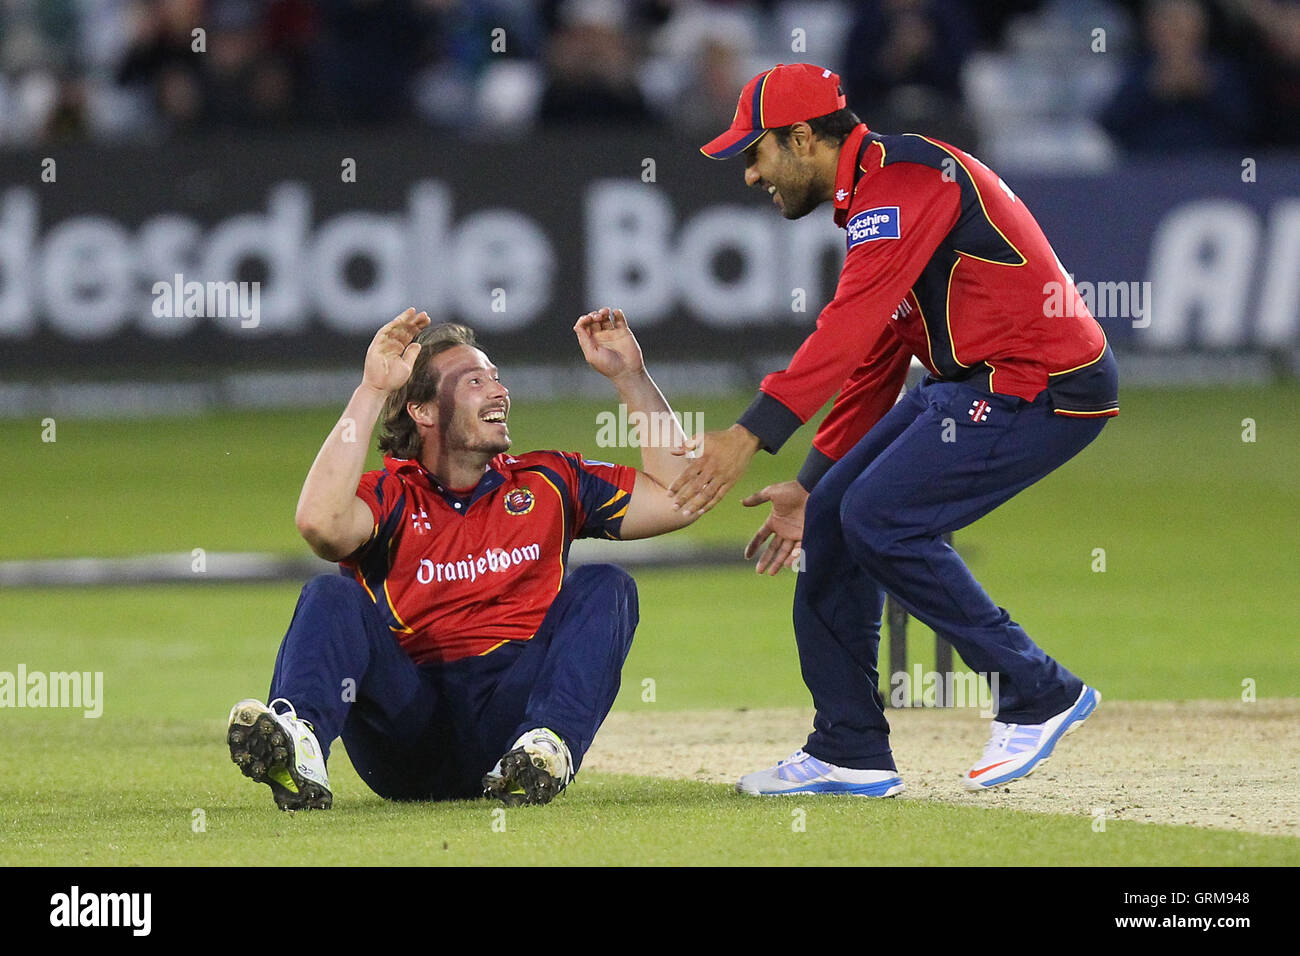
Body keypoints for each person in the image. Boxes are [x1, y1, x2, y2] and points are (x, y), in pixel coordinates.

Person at [673, 63, 1118, 797]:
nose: (750, 175)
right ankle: (849, 749)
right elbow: (878, 354)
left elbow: (845, 329)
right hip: (972, 383)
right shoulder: (876, 192)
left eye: (755, 153)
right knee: (834, 526)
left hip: (1041, 385)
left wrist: (750, 434)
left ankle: (1037, 691)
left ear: (803, 137)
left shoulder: (906, 181)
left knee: (884, 519)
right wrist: (810, 484)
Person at [227, 306, 697, 809]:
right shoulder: (391, 496)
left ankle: (548, 748)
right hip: (407, 732)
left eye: (497, 378)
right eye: (476, 381)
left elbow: (680, 496)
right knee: (330, 594)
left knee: (607, 585)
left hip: (511, 727)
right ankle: (298, 744)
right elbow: (319, 524)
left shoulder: (549, 481)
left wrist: (631, 376)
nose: (500, 391)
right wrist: (371, 391)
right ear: (423, 411)